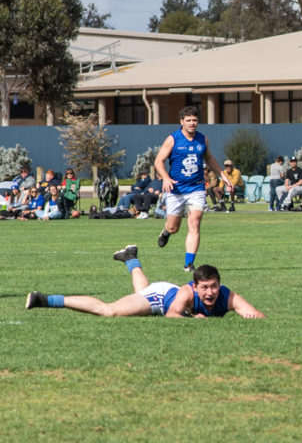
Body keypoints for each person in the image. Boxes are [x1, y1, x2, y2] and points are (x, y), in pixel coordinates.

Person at [26, 244, 264, 318]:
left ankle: (130, 258)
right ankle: (44, 299)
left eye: (214, 287)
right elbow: (172, 315)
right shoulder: (186, 292)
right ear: (195, 287)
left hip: (159, 291)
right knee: (110, 311)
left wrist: (251, 318)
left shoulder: (227, 295)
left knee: (142, 290)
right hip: (160, 298)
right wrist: (195, 320)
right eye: (205, 288)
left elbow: (256, 316)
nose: (210, 292)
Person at [154, 106, 232, 272]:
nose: (192, 123)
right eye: (188, 120)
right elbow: (158, 161)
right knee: (173, 227)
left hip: (196, 187)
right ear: (181, 122)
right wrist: (166, 178)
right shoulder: (173, 139)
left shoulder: (203, 140)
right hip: (176, 188)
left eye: (194, 120)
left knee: (195, 221)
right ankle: (166, 232)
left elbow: (209, 159)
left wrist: (223, 176)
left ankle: (188, 263)